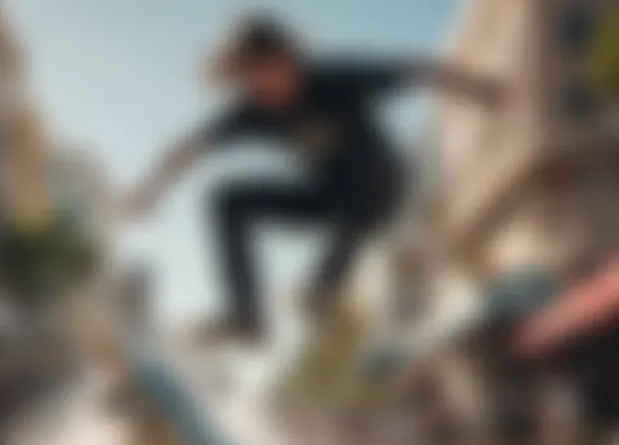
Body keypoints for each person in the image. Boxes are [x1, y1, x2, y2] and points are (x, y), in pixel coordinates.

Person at [120, 15, 507, 344]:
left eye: (269, 75)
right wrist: (149, 191)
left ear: (290, 59)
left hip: (382, 188)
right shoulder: (252, 111)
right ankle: (246, 315)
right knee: (226, 199)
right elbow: (190, 148)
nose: (265, 91)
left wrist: (481, 91)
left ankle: (323, 285)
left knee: (362, 172)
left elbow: (417, 70)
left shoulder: (335, 79)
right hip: (327, 201)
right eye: (251, 81)